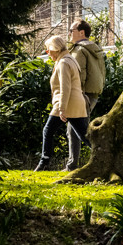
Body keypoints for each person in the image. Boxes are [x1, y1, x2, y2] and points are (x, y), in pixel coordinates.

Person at [34, 35, 89, 172]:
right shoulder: (70, 59)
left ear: (56, 49)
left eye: (48, 50)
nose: (47, 53)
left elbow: (66, 87)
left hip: (66, 103)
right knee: (85, 136)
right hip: (76, 103)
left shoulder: (63, 63)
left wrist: (62, 109)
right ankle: (105, 155)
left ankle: (44, 163)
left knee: (48, 130)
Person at [66, 19, 105, 171]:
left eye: (72, 30)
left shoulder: (80, 50)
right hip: (93, 93)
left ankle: (99, 160)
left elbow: (78, 74)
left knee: (78, 130)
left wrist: (78, 94)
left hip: (82, 94)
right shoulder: (95, 49)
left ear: (81, 33)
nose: (69, 33)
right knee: (77, 128)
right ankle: (73, 164)